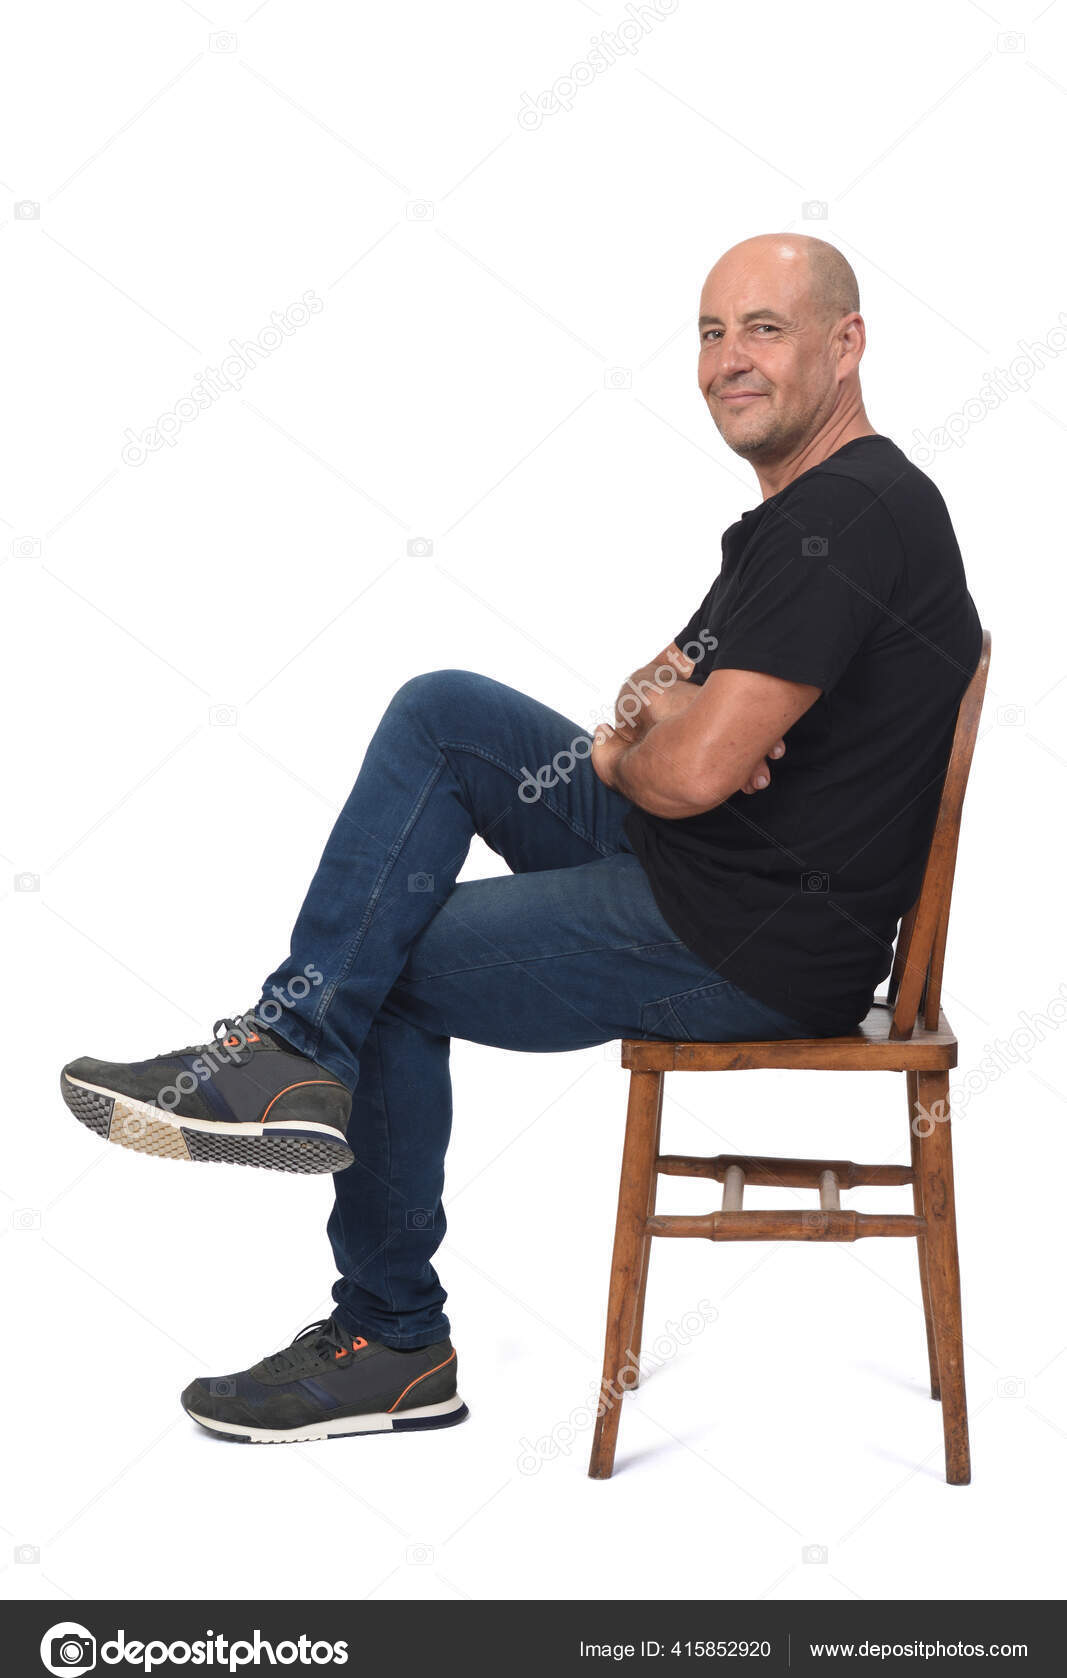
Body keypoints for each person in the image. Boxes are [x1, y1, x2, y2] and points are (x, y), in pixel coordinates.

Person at [60, 233, 983, 1444]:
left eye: (762, 328)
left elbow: (689, 761)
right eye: (709, 334)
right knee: (446, 710)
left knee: (377, 961)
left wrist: (660, 752)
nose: (726, 362)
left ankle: (390, 1335)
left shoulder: (853, 515)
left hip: (743, 935)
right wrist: (652, 746)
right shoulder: (791, 522)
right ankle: (291, 1044)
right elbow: (651, 694)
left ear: (844, 342)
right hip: (700, 869)